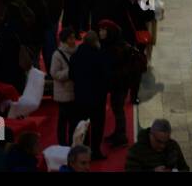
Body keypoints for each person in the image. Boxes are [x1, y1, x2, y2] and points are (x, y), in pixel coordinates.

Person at [98, 20, 141, 149]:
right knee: (116, 108)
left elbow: (117, 68)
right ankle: (118, 133)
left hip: (120, 84)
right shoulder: (111, 44)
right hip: (117, 84)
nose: (100, 32)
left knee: (118, 109)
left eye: (103, 30)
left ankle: (121, 136)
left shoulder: (117, 48)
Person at [70, 29, 110, 161]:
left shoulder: (76, 55)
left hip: (81, 97)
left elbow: (71, 75)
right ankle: (95, 151)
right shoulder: (100, 56)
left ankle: (84, 151)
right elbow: (105, 77)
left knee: (83, 125)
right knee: (97, 125)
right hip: (97, 98)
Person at [125, 118, 191, 172]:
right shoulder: (136, 152)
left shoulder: (173, 146)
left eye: (165, 142)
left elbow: (184, 168)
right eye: (159, 141)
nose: (162, 146)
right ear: (151, 135)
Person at [51, 28, 80, 145]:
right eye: (70, 38)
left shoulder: (76, 51)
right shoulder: (57, 55)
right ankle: (62, 144)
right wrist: (69, 72)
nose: (73, 40)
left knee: (73, 121)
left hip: (74, 92)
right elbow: (54, 73)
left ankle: (72, 143)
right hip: (63, 93)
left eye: (74, 37)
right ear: (64, 39)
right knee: (63, 121)